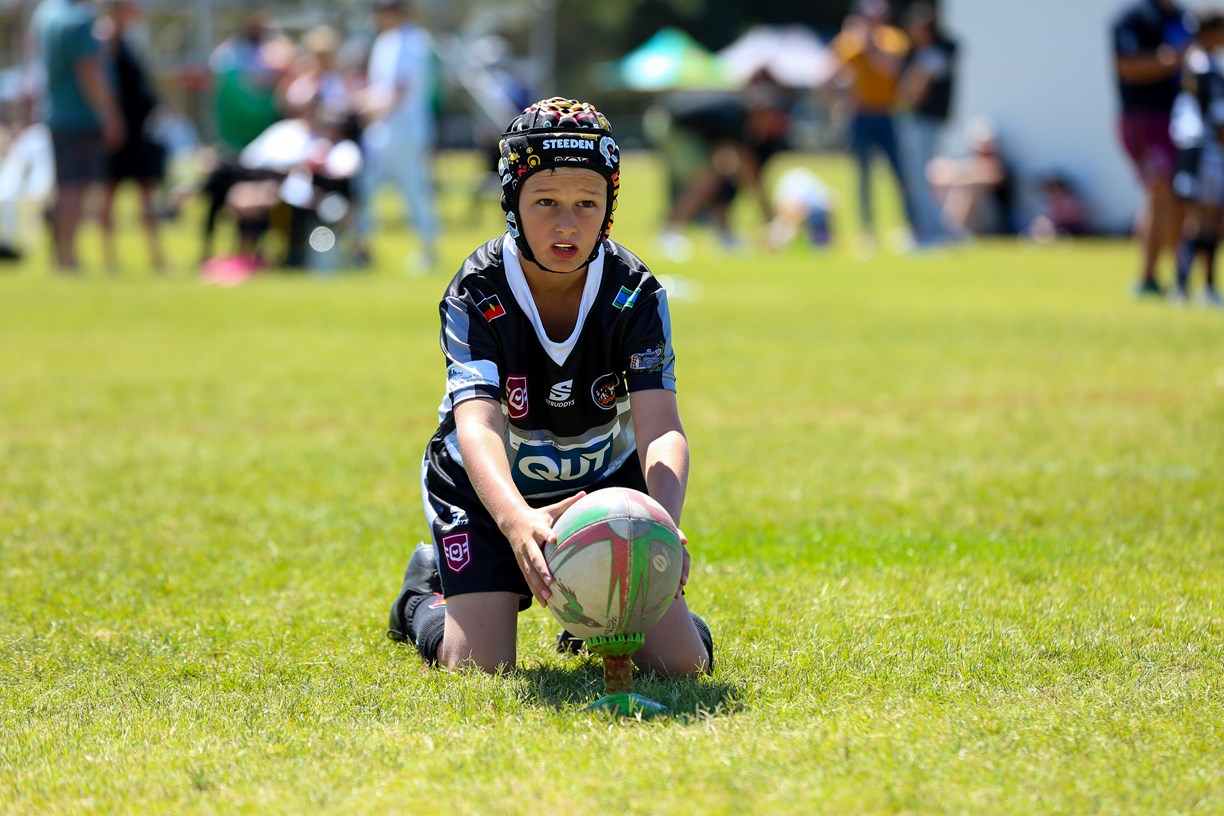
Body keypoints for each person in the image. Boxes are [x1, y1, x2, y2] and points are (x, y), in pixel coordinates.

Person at [386, 97, 714, 676]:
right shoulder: (476, 290)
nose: (567, 223)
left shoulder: (635, 291)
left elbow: (662, 429)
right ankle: (424, 594)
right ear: (512, 201)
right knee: (478, 668)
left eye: (588, 203)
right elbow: (477, 426)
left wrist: (662, 524)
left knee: (681, 666)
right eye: (545, 203)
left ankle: (611, 613)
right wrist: (515, 519)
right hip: (489, 491)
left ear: (610, 205)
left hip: (603, 487)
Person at [31, 0, 125, 273]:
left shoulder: (45, 14)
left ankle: (60, 253)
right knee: (76, 187)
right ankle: (68, 257)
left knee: (63, 186)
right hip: (80, 116)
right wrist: (109, 114)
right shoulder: (78, 21)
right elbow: (88, 70)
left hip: (54, 112)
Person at [1112, 0, 1192, 297]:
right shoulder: (1134, 17)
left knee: (1176, 194)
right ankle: (1149, 277)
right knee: (1158, 191)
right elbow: (1129, 67)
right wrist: (1174, 60)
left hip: (1180, 118)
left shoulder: (1184, 17)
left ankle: (1179, 276)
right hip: (1144, 118)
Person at [824, 0, 916, 255]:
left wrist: (870, 47)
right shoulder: (848, 41)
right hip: (860, 115)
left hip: (888, 114)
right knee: (862, 176)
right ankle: (867, 232)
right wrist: (838, 101)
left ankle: (910, 229)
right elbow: (828, 74)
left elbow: (891, 71)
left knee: (900, 174)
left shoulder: (893, 39)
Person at [355, 0, 439, 272]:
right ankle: (362, 248)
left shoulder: (413, 41)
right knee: (366, 187)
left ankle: (428, 250)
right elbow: (378, 87)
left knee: (414, 189)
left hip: (405, 129)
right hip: (381, 129)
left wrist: (370, 113)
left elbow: (400, 88)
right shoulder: (384, 41)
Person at [97, 0, 166, 274]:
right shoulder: (106, 38)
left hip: (138, 130)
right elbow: (105, 82)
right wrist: (111, 119)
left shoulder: (126, 39)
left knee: (147, 193)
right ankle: (109, 258)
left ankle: (156, 256)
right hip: (121, 129)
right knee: (109, 194)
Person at [1168, 9, 1224, 307]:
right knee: (1207, 220)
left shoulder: (1193, 63)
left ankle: (1194, 286)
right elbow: (1217, 118)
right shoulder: (1205, 69)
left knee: (1204, 220)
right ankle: (1193, 286)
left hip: (1195, 149)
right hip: (1206, 151)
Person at [896, 1, 957, 246]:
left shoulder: (933, 55)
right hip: (918, 124)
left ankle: (933, 231)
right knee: (917, 180)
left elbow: (911, 94)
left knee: (920, 180)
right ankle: (926, 229)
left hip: (923, 124)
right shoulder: (921, 54)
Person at [926, 115, 1015, 238]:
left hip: (993, 222)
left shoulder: (1001, 166)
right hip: (972, 222)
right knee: (961, 188)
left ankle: (953, 231)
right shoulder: (966, 165)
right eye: (980, 148)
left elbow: (989, 176)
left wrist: (957, 177)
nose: (983, 152)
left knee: (971, 187)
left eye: (987, 148)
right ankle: (950, 230)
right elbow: (935, 172)